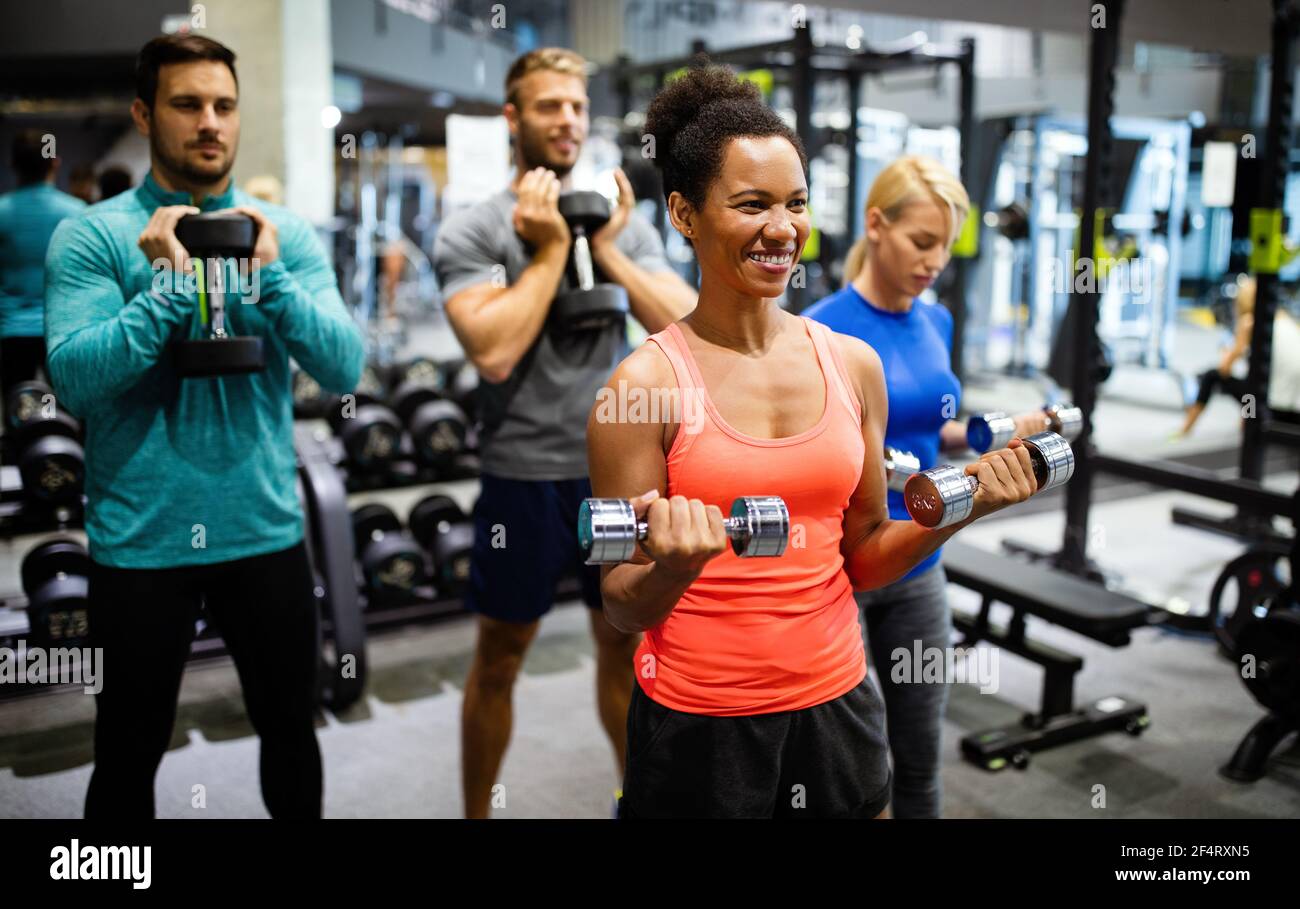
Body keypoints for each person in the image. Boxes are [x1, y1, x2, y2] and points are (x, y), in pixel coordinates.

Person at [588, 67, 1039, 819]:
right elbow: (623, 607)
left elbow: (861, 554)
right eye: (752, 204)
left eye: (796, 203)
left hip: (837, 698)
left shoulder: (850, 365)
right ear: (684, 213)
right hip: (702, 718)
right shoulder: (640, 388)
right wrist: (671, 566)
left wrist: (962, 508)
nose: (783, 228)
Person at [44, 34, 365, 818]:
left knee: (291, 725)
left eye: (223, 105)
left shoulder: (280, 234)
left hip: (263, 530)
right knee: (127, 744)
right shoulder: (92, 236)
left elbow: (345, 367)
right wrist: (161, 289)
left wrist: (275, 278)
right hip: (143, 538)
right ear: (145, 114)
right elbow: (75, 381)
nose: (210, 122)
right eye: (187, 105)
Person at [432, 47, 696, 819]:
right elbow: (495, 347)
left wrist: (605, 247)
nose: (567, 121)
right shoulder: (479, 228)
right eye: (549, 106)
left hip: (617, 470)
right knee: (501, 657)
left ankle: (635, 802)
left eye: (577, 107)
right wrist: (549, 250)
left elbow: (687, 326)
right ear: (513, 117)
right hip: (523, 475)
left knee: (625, 643)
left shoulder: (619, 218)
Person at [803, 156, 1047, 818]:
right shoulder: (820, 328)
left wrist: (995, 435)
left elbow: (929, 427)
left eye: (946, 243)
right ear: (875, 225)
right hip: (841, 564)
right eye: (921, 240)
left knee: (918, 755)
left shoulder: (934, 319)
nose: (935, 259)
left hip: (920, 556)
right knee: (849, 764)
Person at [0, 129, 85, 428]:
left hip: (11, 334)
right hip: (62, 335)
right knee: (70, 417)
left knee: (18, 417)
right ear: (55, 163)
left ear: (13, 165)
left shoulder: (2, 213)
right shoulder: (77, 215)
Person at [1180, 275, 1300, 435]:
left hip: (1271, 406)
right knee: (1252, 385)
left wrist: (1228, 352)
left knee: (1212, 377)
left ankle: (1186, 429)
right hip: (1294, 409)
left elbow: (1225, 368)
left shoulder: (1250, 322)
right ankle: (1247, 424)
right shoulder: (1286, 320)